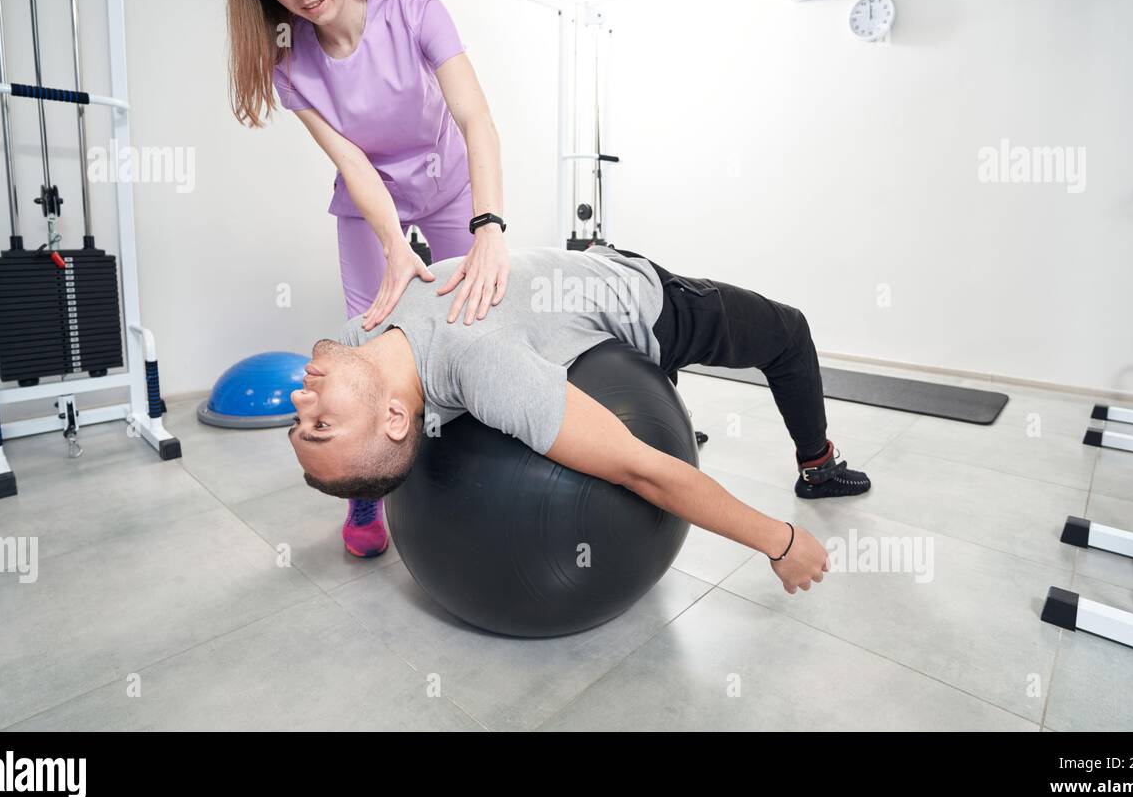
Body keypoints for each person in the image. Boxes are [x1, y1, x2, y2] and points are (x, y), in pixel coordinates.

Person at [287, 244, 872, 595]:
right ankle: (818, 467)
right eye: (320, 427)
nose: (299, 404)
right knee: (788, 333)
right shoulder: (485, 366)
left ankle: (673, 404)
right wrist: (780, 540)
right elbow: (644, 471)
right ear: (394, 418)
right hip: (651, 304)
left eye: (299, 424)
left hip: (589, 265)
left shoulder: (357, 338)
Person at [225, 0, 511, 559]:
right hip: (366, 204)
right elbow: (355, 166)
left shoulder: (413, 10)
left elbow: (475, 118)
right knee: (363, 342)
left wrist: (490, 226)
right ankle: (364, 492)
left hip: (446, 189)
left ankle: (482, 468)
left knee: (477, 319)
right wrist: (392, 246)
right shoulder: (291, 63)